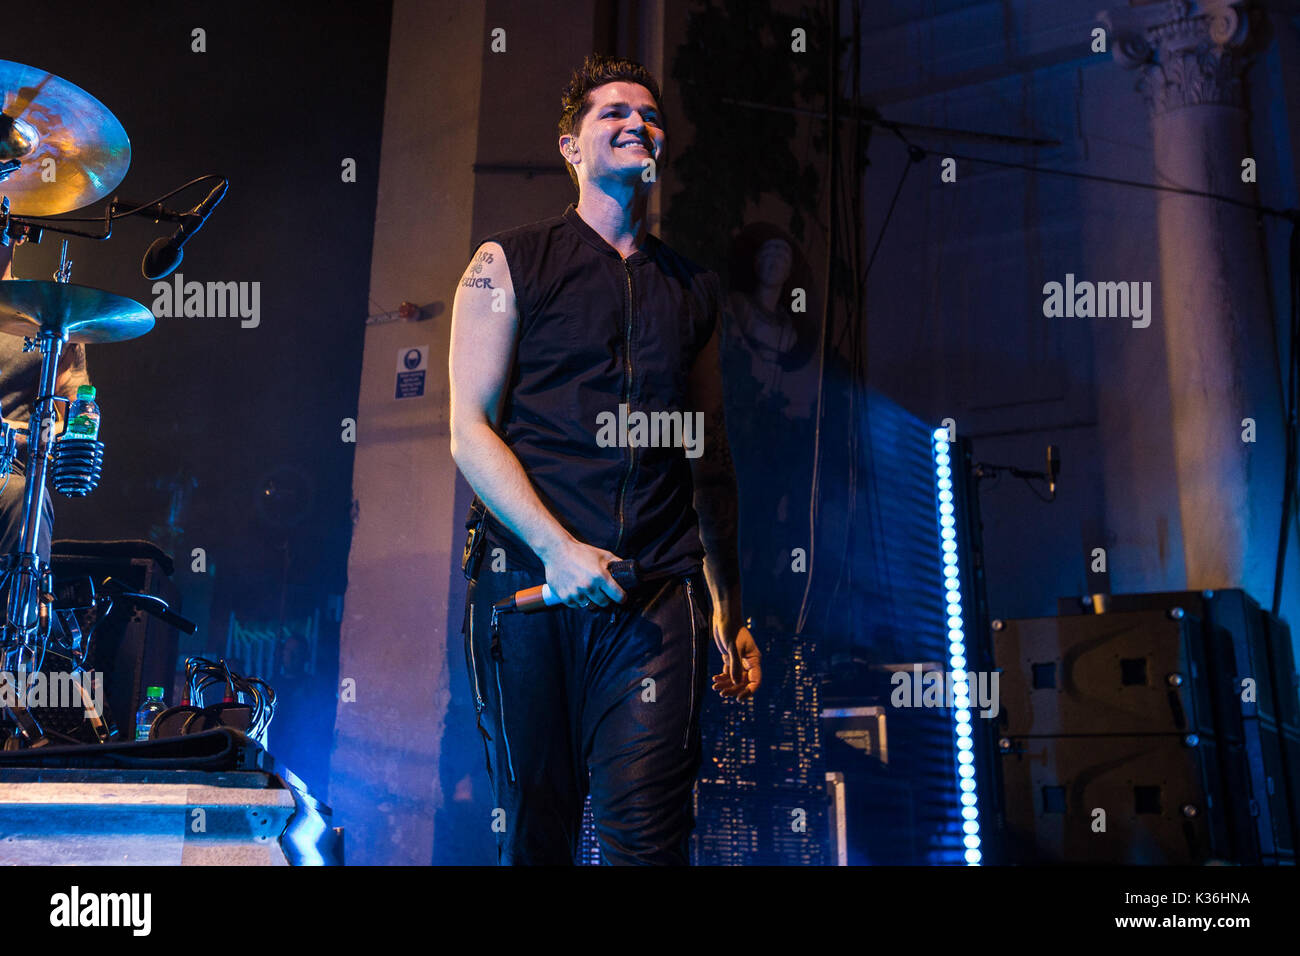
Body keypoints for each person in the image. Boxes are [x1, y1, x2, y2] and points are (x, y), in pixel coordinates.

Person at [448, 54, 761, 865]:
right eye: (611, 112)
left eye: (651, 116)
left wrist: (728, 602)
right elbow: (468, 430)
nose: (637, 123)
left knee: (649, 841)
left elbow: (708, 451)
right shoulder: (503, 264)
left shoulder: (692, 290)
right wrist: (557, 549)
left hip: (656, 596)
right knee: (538, 833)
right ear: (570, 146)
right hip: (530, 591)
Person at [0, 237, 91, 560]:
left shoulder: (48, 315)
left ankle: (23, 605)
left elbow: (76, 413)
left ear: (21, 229)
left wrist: (45, 432)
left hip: (6, 475)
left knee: (24, 499)